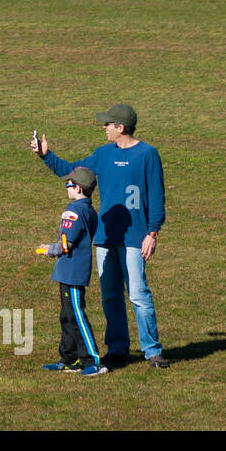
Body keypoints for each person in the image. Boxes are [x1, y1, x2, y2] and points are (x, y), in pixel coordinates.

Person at [30, 104, 168, 369]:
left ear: (121, 127)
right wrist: (46, 156)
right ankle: (117, 349)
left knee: (138, 295)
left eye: (108, 124)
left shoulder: (148, 155)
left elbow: (157, 197)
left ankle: (152, 351)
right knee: (110, 296)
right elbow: (73, 172)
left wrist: (152, 233)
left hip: (134, 238)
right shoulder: (103, 154)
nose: (104, 127)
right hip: (104, 237)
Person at [34, 166, 105, 376]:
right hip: (72, 271)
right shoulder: (90, 210)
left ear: (79, 189)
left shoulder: (73, 211)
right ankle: (69, 358)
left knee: (76, 316)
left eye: (69, 184)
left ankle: (92, 360)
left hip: (72, 272)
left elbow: (66, 244)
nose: (66, 187)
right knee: (66, 316)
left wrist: (49, 250)